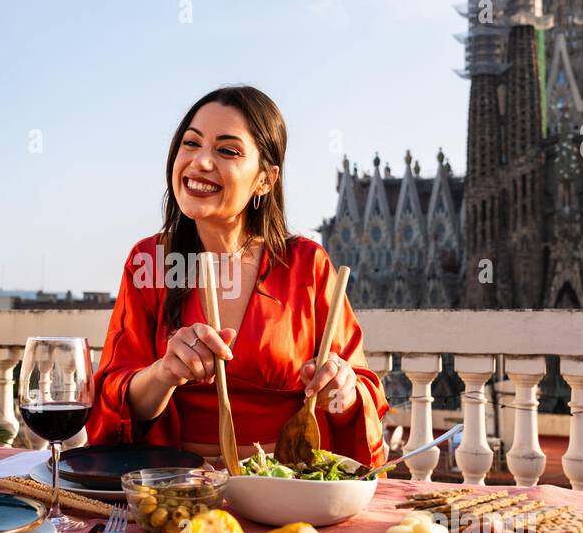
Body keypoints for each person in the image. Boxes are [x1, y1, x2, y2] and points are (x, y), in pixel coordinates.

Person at [87, 86, 390, 467]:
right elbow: (116, 404)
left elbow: (359, 394)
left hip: (288, 490)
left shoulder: (307, 265)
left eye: (226, 150)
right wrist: (165, 373)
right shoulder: (150, 260)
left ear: (265, 179)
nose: (200, 161)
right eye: (190, 144)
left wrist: (342, 392)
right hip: (178, 489)